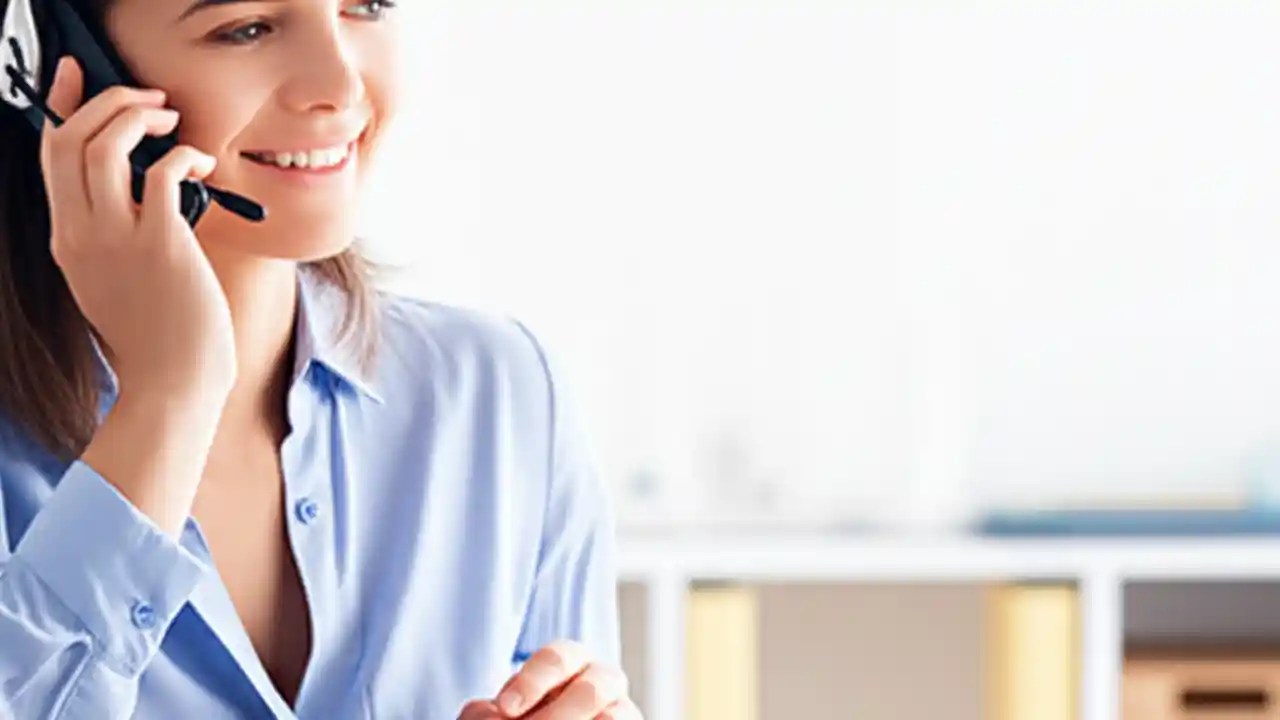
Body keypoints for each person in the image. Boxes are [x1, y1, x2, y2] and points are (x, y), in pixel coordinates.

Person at [0, 0, 640, 718]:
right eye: (246, 28)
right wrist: (170, 398)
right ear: (53, 62)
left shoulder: (500, 394)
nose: (339, 84)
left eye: (365, 6)